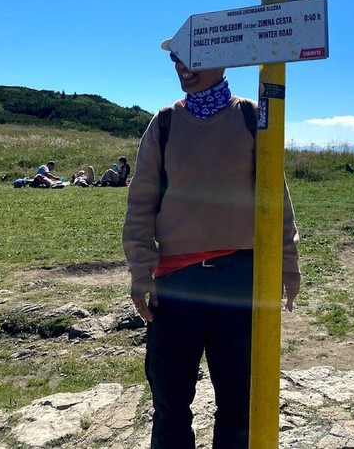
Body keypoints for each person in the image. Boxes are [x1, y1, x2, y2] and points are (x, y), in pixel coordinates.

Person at [122, 41, 301, 449]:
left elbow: (275, 197)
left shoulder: (250, 117)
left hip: (239, 282)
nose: (183, 68)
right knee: (170, 408)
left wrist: (288, 264)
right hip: (175, 286)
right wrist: (139, 271)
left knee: (239, 408)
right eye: (175, 59)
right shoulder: (164, 123)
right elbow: (141, 204)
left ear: (221, 61)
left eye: (193, 58)